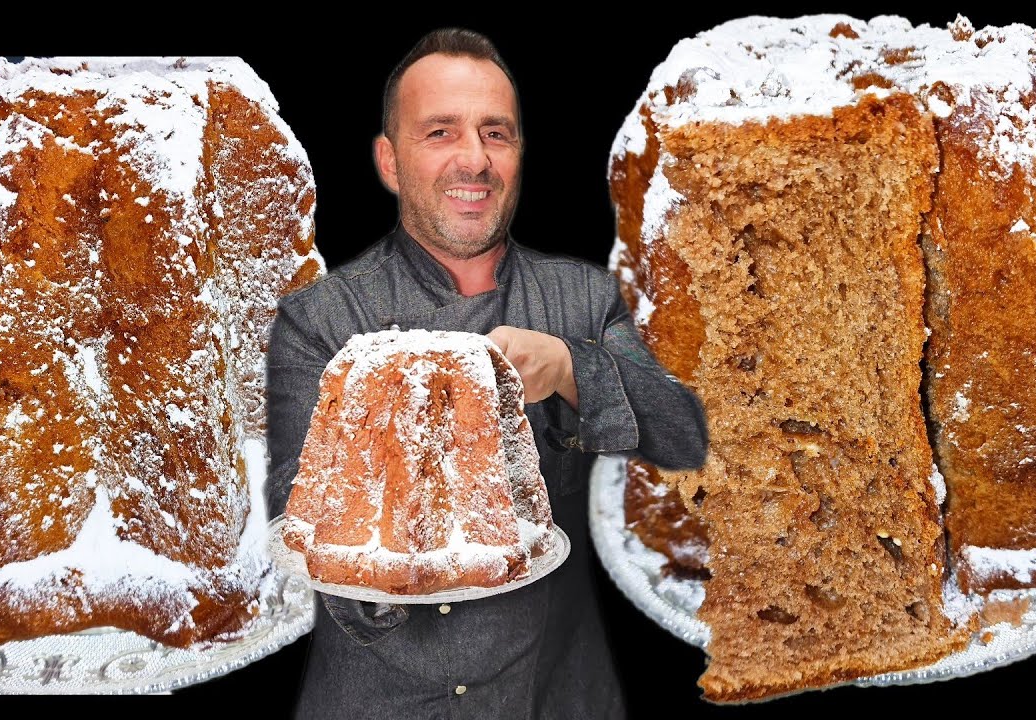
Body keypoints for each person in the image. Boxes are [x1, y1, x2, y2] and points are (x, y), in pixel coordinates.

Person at [264, 27, 708, 719]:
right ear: (389, 161)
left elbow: (687, 435)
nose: (474, 159)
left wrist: (572, 367)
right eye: (440, 132)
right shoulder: (320, 319)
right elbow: (304, 518)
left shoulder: (586, 300)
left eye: (495, 133)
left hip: (554, 694)